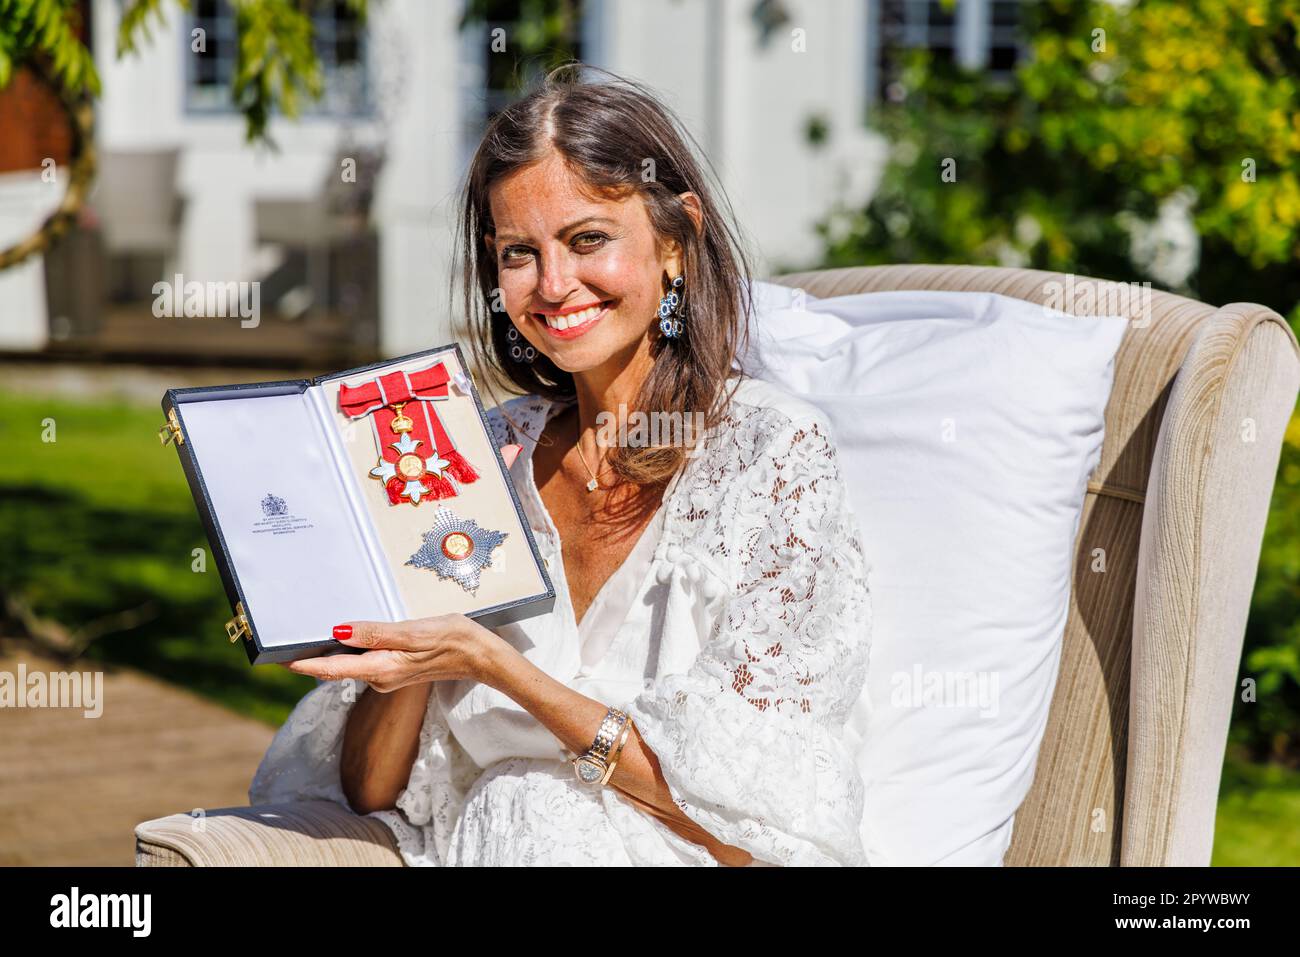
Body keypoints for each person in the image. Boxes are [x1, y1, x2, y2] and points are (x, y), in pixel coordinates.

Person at [248, 63, 874, 867]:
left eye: (588, 240)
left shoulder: (771, 458)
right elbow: (372, 791)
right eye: (518, 252)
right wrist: (421, 623)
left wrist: (496, 665)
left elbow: (752, 828)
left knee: (540, 813)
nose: (552, 285)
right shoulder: (480, 455)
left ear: (675, 242)